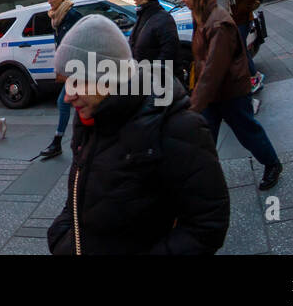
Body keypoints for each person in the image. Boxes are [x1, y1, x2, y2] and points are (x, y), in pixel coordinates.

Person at [47, 14, 229, 254]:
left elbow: (207, 224)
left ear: (108, 78)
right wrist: (63, 239)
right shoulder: (89, 119)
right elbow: (81, 193)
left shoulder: (178, 127)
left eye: (77, 82)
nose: (68, 96)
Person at [179, 0, 282, 190]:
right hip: (213, 93)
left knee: (247, 131)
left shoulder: (218, 23)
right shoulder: (201, 16)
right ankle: (203, 179)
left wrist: (195, 103)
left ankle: (272, 163)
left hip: (230, 91)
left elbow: (214, 69)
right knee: (205, 136)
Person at [38, 0, 84, 160]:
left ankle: (60, 141)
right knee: (70, 103)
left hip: (79, 67)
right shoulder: (56, 18)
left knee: (65, 103)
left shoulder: (71, 14)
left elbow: (81, 39)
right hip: (70, 67)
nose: (49, 2)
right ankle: (70, 140)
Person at [217, 0, 264, 93]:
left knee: (241, 48)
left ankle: (254, 76)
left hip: (242, 19)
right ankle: (254, 75)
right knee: (240, 47)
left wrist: (238, 11)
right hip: (238, 19)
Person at [128, 0, 184, 87]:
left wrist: (152, 76)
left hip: (162, 86)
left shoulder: (162, 19)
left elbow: (169, 54)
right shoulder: (144, 15)